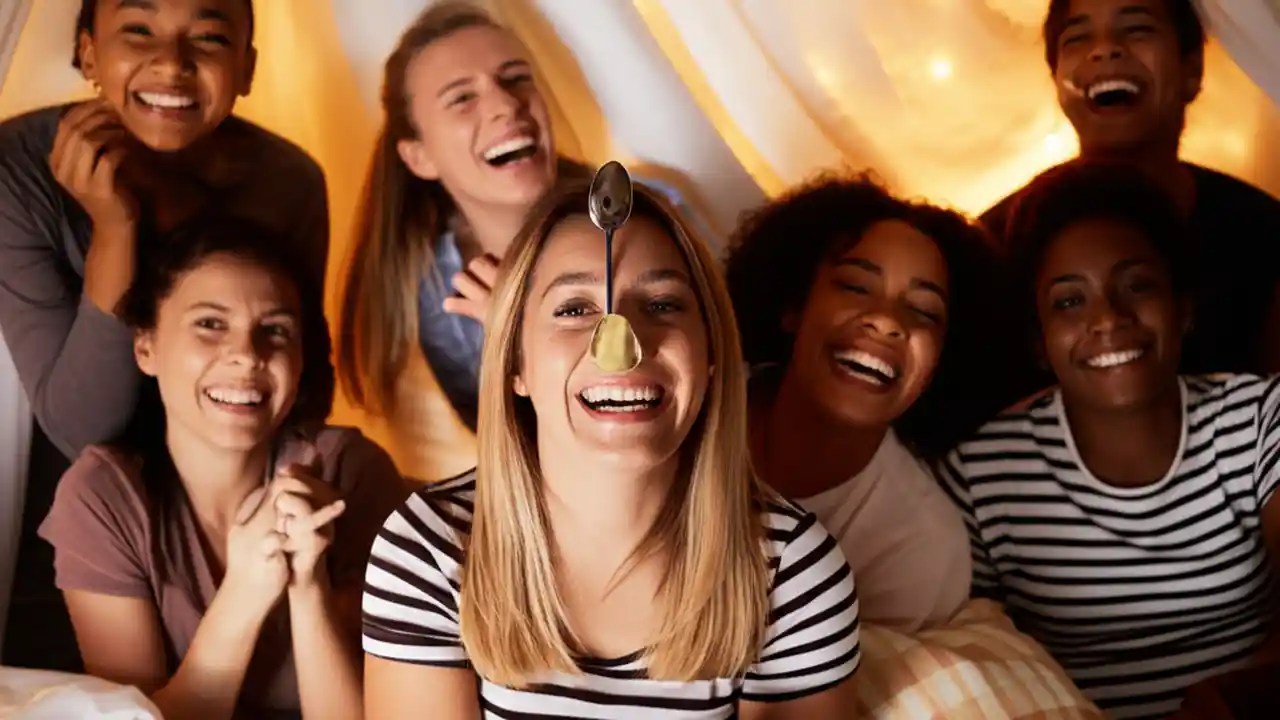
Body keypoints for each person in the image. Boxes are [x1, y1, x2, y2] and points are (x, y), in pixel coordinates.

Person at [361, 182, 861, 718]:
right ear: (515, 363)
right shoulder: (430, 551)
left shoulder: (794, 570)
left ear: (712, 354)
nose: (621, 348)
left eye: (663, 304)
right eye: (574, 309)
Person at [0, 0, 329, 667]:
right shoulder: (18, 168)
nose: (172, 65)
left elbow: (306, 385)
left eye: (208, 39)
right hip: (65, 537)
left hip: (240, 522)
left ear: (247, 66)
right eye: (138, 31)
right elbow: (83, 424)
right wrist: (116, 229)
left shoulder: (287, 182)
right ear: (88, 53)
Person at [942, 162, 1280, 719]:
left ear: (1184, 308)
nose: (1109, 317)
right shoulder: (979, 473)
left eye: (1138, 284)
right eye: (1070, 301)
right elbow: (969, 665)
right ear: (1038, 341)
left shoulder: (1259, 418)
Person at [40, 215, 407, 720]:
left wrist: (309, 587)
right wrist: (244, 593)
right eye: (210, 325)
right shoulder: (102, 498)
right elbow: (137, 716)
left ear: (301, 362)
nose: (246, 356)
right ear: (146, 347)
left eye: (275, 331)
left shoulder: (351, 474)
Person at [726, 174, 1000, 633]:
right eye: (856, 286)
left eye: (924, 311)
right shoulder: (683, 404)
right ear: (793, 306)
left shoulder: (921, 547)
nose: (887, 321)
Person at [981, 0, 1280, 405]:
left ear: (1192, 70)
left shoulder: (1263, 234)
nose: (1104, 49)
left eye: (1137, 29)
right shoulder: (994, 247)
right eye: (1078, 37)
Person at [338, 2, 582, 433]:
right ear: (419, 156)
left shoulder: (648, 218)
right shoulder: (430, 302)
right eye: (463, 98)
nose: (505, 105)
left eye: (516, 78)